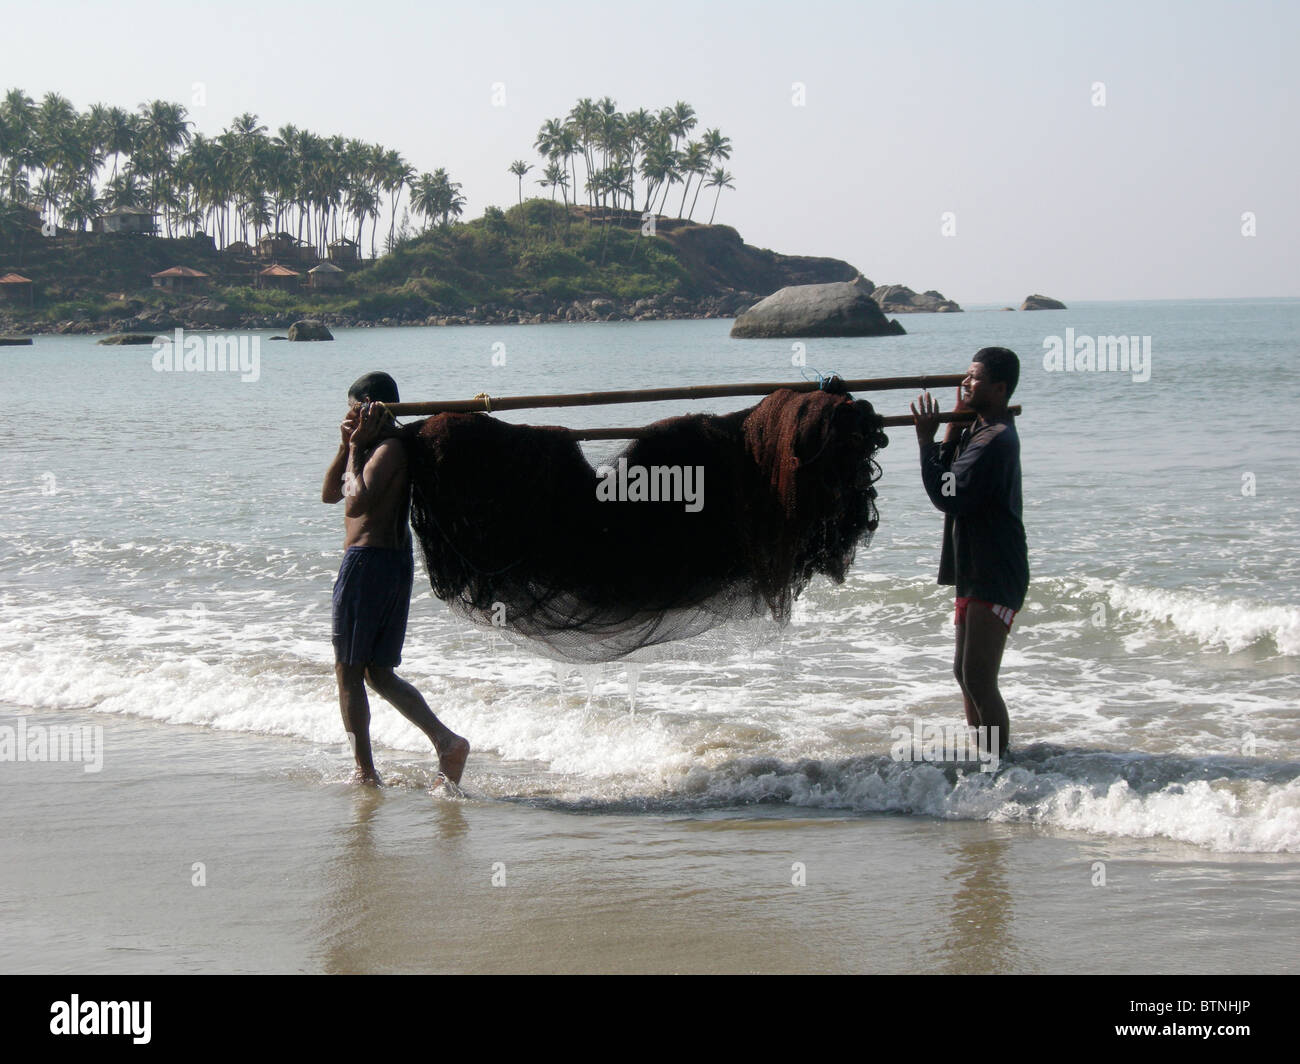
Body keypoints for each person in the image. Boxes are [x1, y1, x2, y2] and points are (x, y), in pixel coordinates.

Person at [322, 371, 469, 786]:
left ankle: (365, 772)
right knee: (376, 672)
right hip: (386, 565)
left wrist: (354, 448)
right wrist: (345, 445)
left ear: (371, 409)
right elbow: (330, 493)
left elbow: (355, 503)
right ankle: (447, 743)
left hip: (369, 564)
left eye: (354, 410)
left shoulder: (389, 449)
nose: (349, 418)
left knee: (348, 671)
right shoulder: (373, 447)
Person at [911, 348, 1028, 758]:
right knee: (963, 673)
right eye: (965, 376)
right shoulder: (978, 429)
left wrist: (924, 439)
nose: (965, 384)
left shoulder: (994, 439)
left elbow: (947, 494)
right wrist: (946, 428)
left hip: (996, 569)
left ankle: (1000, 764)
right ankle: (987, 759)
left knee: (979, 677)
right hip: (976, 567)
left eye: (974, 379)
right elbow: (949, 470)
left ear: (999, 388)